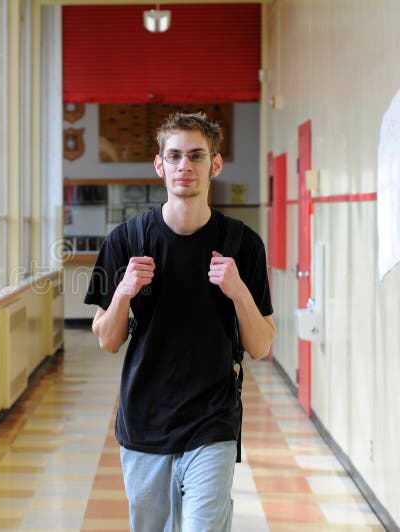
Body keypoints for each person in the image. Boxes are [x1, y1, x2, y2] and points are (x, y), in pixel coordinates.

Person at [84, 112, 275, 531]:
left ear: (215, 164)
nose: (184, 166)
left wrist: (239, 291)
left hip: (213, 419)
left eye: (196, 156)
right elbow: (107, 340)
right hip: (144, 419)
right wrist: (123, 292)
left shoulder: (242, 244)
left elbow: (261, 346)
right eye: (174, 156)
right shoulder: (126, 241)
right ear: (160, 165)